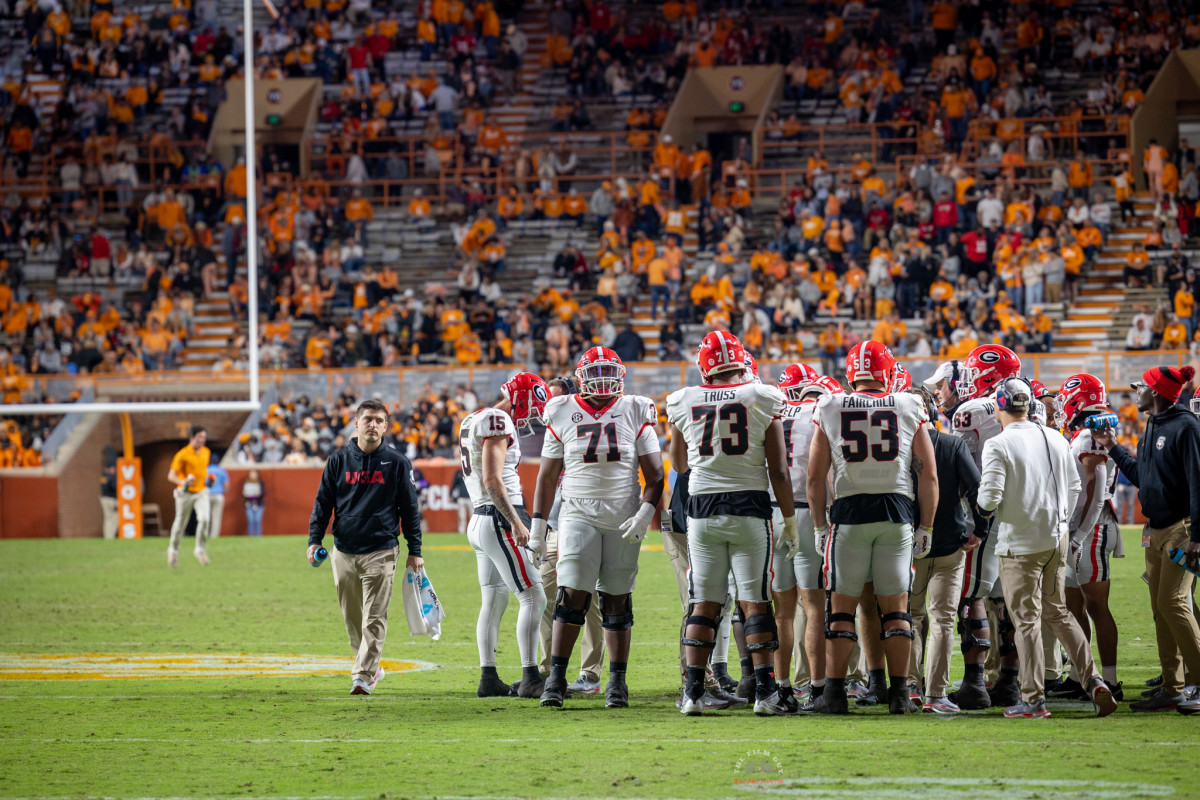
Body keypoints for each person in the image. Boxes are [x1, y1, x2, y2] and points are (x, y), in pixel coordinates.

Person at [667, 331, 798, 716]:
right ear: (741, 361)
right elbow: (778, 468)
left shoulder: (683, 399)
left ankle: (693, 694)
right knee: (755, 601)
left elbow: (679, 464)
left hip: (703, 510)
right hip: (749, 506)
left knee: (703, 602)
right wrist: (790, 518)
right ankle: (766, 694)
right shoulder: (761, 396)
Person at [808, 341, 938, 715]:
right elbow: (928, 474)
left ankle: (834, 695)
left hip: (849, 513)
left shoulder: (830, 404)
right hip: (896, 512)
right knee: (896, 610)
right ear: (887, 372)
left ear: (852, 373)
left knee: (841, 609)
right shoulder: (908, 404)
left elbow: (814, 477)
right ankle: (900, 696)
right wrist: (926, 525)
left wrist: (819, 525)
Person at [976, 377, 1117, 719]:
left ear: (1000, 405)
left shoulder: (998, 443)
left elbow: (989, 498)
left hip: (1019, 542)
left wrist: (981, 510)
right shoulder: (1055, 437)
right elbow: (1074, 486)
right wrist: (1058, 520)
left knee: (1026, 620)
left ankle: (1033, 698)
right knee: (1059, 613)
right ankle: (1094, 679)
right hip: (1057, 539)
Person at [532, 348, 665, 708]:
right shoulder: (560, 409)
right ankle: (556, 679)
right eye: (596, 372)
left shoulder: (636, 408)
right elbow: (547, 476)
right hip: (577, 512)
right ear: (581, 377)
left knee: (617, 599)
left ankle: (617, 682)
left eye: (609, 371)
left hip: (624, 515)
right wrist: (538, 529)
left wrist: (644, 514)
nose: (604, 379)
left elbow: (655, 475)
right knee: (571, 593)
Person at [1094, 365, 1200, 714]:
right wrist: (1112, 447)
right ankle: (1173, 688)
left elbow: (1198, 482)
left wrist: (1198, 536)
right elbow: (1143, 475)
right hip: (1155, 530)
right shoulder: (1153, 423)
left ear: (1155, 392)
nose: (1135, 391)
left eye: (1140, 386)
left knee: (1173, 602)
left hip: (1182, 529)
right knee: (1160, 610)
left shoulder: (1187, 427)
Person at [307, 399, 424, 696]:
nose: (373, 424)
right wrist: (314, 540)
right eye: (368, 419)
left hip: (381, 550)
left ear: (385, 426)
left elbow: (410, 509)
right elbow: (323, 503)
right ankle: (371, 665)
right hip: (343, 550)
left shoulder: (397, 463)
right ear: (356, 423)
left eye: (378, 420)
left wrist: (415, 550)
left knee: (374, 616)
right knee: (352, 618)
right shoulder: (337, 461)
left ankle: (363, 675)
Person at [458, 373, 549, 699]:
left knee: (494, 599)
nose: (534, 415)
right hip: (497, 517)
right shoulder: (497, 420)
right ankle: (530, 677)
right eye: (534, 406)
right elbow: (493, 480)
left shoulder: (473, 418)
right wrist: (515, 521)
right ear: (522, 399)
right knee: (533, 596)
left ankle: (488, 678)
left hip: (480, 518)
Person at [946, 345, 1024, 709]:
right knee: (1008, 600)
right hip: (1021, 516)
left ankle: (975, 683)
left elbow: (960, 468)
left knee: (972, 597)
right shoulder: (1031, 406)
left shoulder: (972, 410)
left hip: (982, 514)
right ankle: (1010, 680)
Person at [905, 385, 989, 715]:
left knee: (911, 617)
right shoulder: (952, 444)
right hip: (950, 543)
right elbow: (978, 488)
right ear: (932, 412)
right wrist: (979, 530)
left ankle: (911, 686)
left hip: (908, 543)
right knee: (941, 619)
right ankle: (935, 694)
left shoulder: (898, 446)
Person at [1052, 375, 1123, 701]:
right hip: (1081, 527)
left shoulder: (1089, 434)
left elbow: (1096, 494)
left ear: (1076, 400)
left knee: (1096, 605)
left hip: (1092, 529)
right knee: (1072, 605)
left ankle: (1110, 680)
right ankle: (1080, 674)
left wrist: (1078, 536)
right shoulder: (1088, 431)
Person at [535, 376, 607, 697]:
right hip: (554, 526)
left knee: (588, 602)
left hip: (583, 524)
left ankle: (590, 674)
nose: (549, 406)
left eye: (555, 399)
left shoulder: (585, 431)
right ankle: (550, 670)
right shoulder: (555, 431)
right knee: (544, 597)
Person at [771, 363, 830, 712]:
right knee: (814, 608)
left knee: (782, 612)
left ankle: (781, 690)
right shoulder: (821, 410)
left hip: (774, 512)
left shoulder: (772, 409)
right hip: (809, 512)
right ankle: (819, 689)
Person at [167, 426, 213, 568]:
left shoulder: (206, 452)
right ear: (192, 438)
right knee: (180, 523)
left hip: (201, 491)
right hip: (185, 492)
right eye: (200, 437)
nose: (203, 440)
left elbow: (203, 472)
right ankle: (173, 550)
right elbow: (171, 475)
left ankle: (199, 549)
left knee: (204, 519)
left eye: (204, 437)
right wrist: (182, 482)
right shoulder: (182, 454)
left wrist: (210, 481)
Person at [205, 452, 229, 539]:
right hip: (219, 495)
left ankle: (204, 534)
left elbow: (204, 483)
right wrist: (224, 493)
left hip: (207, 494)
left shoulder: (206, 470)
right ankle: (214, 536)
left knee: (205, 516)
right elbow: (226, 485)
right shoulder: (222, 471)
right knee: (216, 517)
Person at [100, 457, 118, 540]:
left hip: (103, 499)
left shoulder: (103, 477)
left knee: (107, 519)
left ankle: (107, 536)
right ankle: (110, 536)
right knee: (114, 519)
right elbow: (114, 487)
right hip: (111, 500)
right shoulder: (112, 477)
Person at [243, 468, 264, 537]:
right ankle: (251, 535)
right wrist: (244, 493)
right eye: (251, 474)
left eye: (254, 474)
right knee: (250, 519)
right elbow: (244, 493)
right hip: (248, 503)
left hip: (258, 503)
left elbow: (263, 492)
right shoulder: (246, 483)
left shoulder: (260, 483)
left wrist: (259, 494)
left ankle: (258, 535)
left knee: (257, 519)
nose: (252, 475)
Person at [451, 468, 471, 535]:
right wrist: (450, 494)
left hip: (471, 498)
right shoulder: (459, 472)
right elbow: (454, 484)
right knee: (462, 517)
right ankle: (461, 532)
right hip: (461, 497)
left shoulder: (471, 470)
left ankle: (472, 532)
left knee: (473, 516)